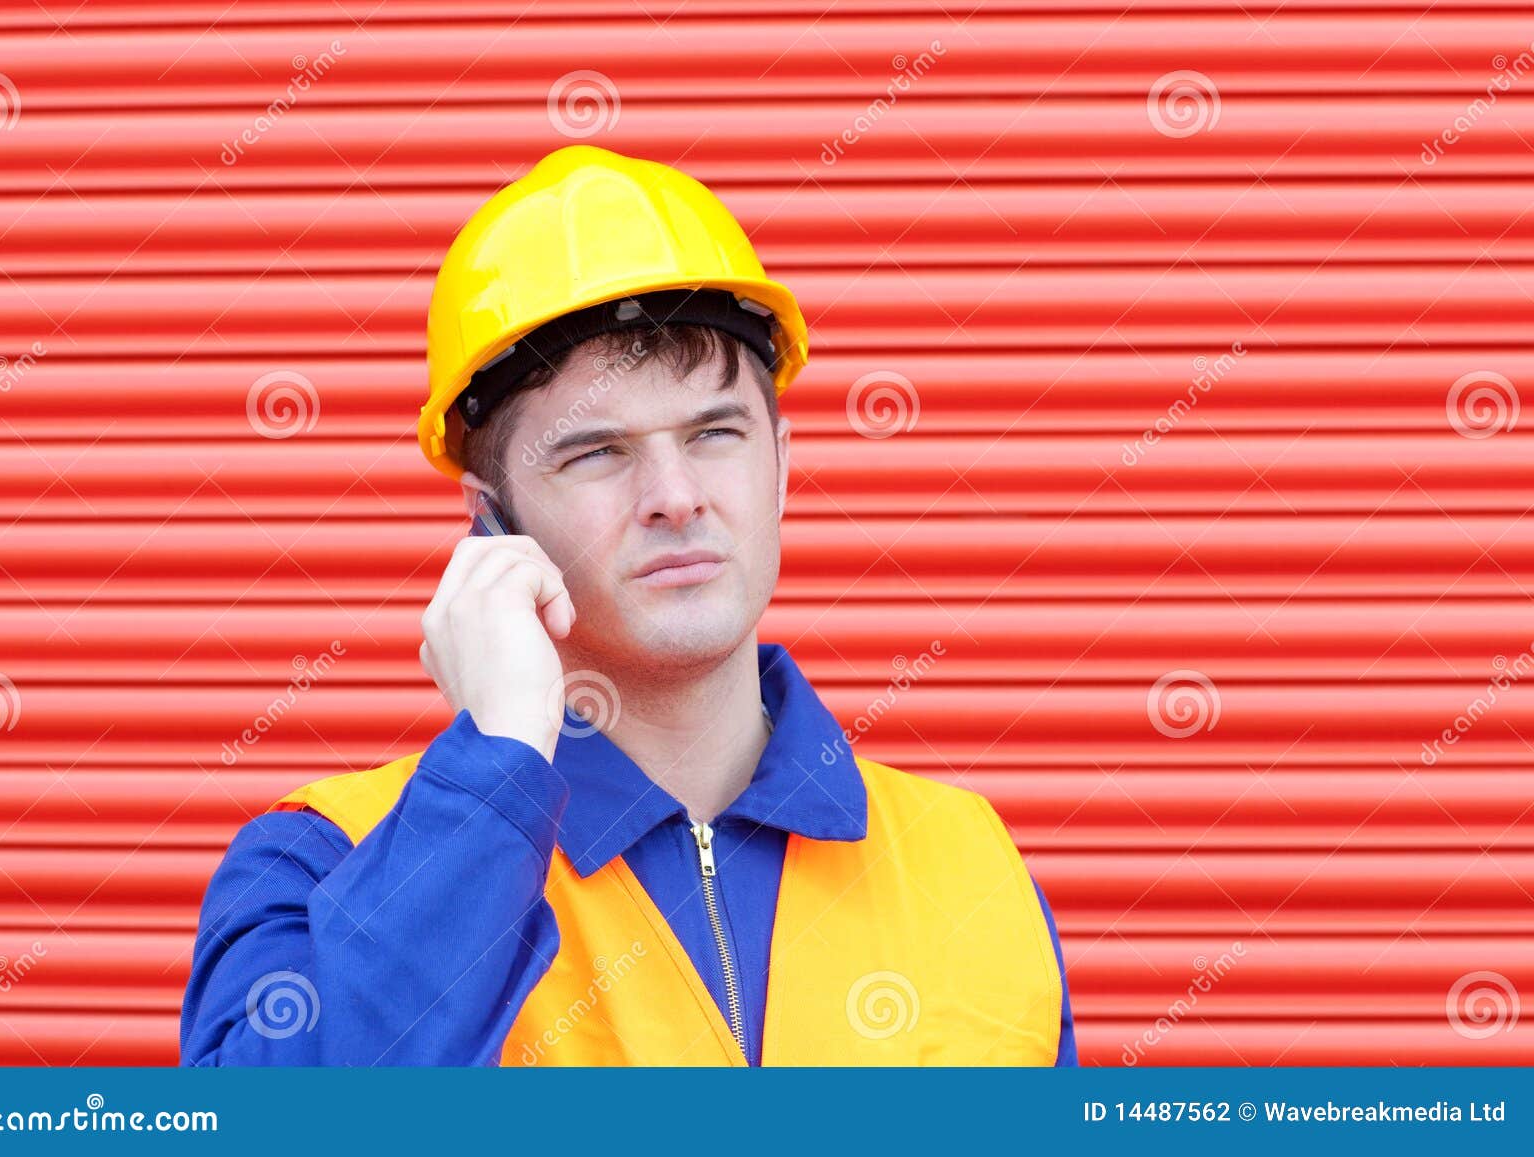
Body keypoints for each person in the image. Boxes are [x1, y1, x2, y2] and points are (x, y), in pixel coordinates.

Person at [179, 145, 1077, 1066]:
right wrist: (493, 773)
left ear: (782, 468)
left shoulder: (971, 868)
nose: (675, 494)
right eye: (597, 451)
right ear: (492, 522)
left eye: (714, 432)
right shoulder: (322, 865)